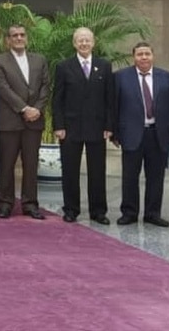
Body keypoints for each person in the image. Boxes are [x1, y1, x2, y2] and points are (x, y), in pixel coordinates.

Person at [112, 42, 169, 228]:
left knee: (156, 177)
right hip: (131, 134)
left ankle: (153, 213)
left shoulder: (167, 77)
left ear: (153, 56)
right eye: (140, 54)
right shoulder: (120, 77)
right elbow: (114, 107)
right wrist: (114, 133)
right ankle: (129, 213)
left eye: (147, 54)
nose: (143, 57)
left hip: (157, 134)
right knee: (130, 176)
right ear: (133, 56)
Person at [52, 27, 115, 225]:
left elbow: (109, 99)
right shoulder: (64, 67)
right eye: (80, 40)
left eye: (87, 40)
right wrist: (58, 126)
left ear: (93, 42)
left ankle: (98, 211)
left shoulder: (104, 66)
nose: (84, 43)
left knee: (97, 171)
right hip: (70, 128)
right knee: (70, 171)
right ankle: (71, 209)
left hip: (97, 127)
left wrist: (109, 125)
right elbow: (57, 99)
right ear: (74, 43)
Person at [0, 24, 49, 220]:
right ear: (7, 40)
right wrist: (24, 108)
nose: (18, 38)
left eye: (22, 35)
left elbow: (45, 87)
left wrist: (36, 109)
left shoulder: (39, 60)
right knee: (6, 164)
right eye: (14, 35)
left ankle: (30, 204)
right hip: (10, 121)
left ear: (27, 38)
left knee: (31, 164)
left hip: (34, 121)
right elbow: (3, 88)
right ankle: (5, 203)